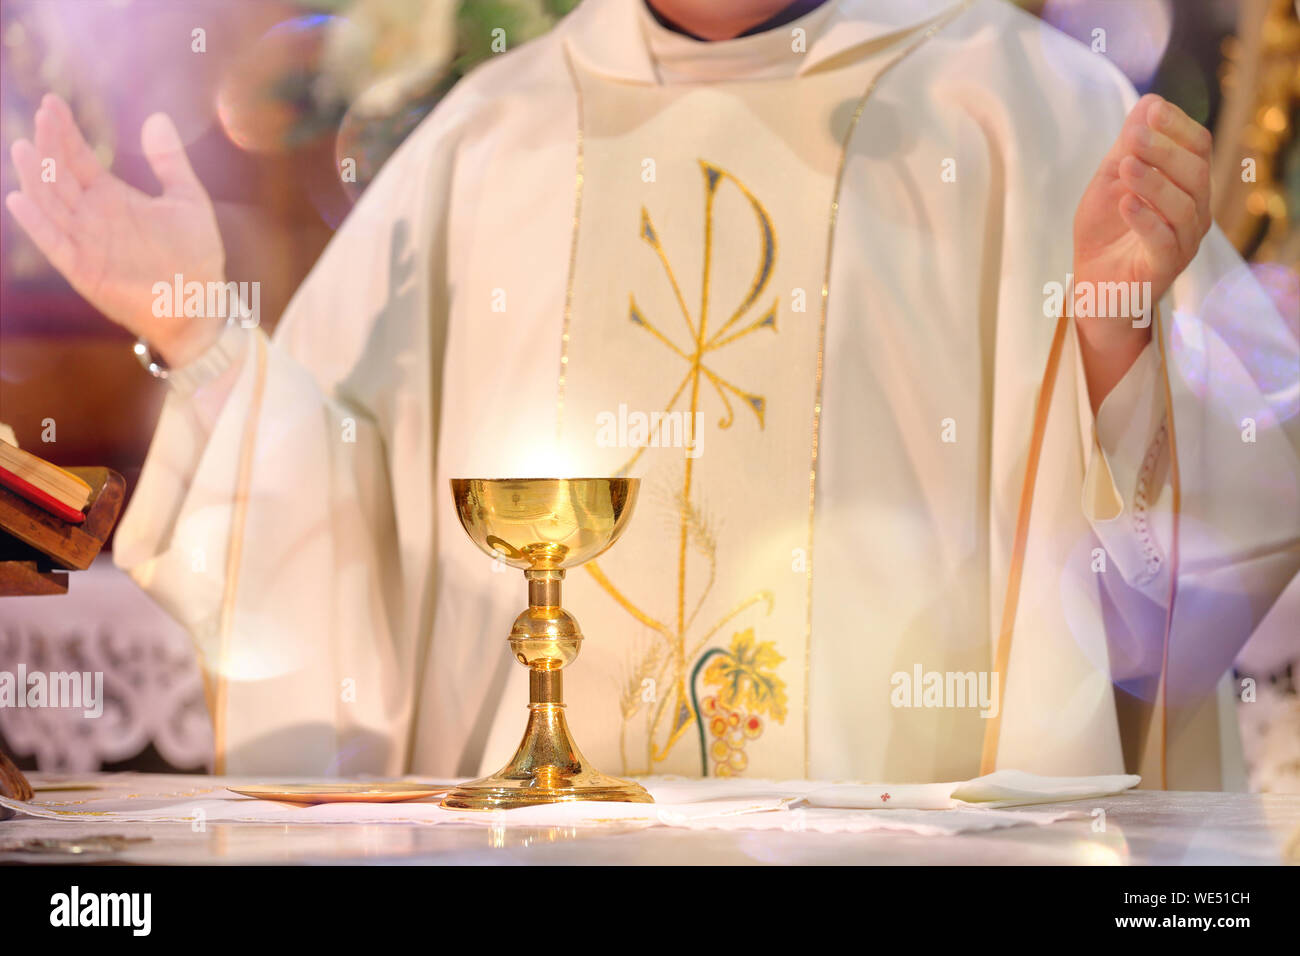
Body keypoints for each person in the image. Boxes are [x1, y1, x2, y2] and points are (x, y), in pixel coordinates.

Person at [7, 0, 1298, 787]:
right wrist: (201, 333)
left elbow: (1176, 614)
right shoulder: (489, 139)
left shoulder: (1034, 118)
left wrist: (1117, 340)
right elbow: (336, 566)